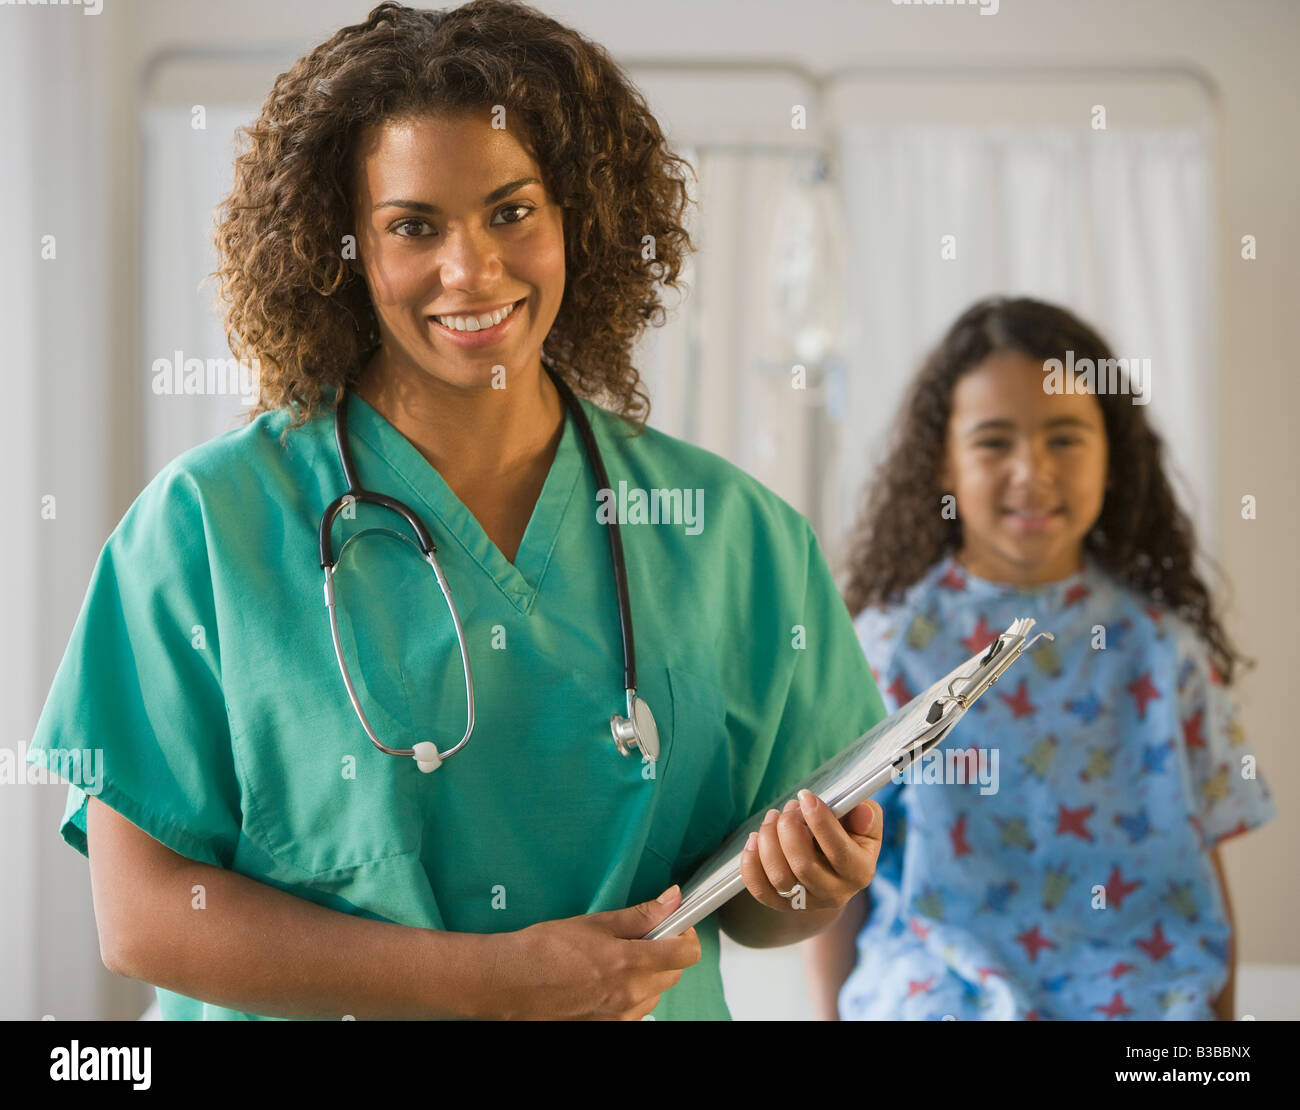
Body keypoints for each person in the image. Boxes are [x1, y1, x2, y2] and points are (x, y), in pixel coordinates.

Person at [27, 0, 887, 1021]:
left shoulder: (737, 537)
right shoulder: (205, 529)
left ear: (577, 216)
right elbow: (142, 917)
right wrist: (490, 986)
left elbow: (758, 911)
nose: (472, 270)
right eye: (414, 226)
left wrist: (806, 887)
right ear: (344, 245)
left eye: (511, 212)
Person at [804, 296, 1277, 1021]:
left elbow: (1200, 873)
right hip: (939, 981)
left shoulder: (1165, 654)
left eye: (1065, 438)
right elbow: (836, 872)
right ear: (944, 463)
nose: (1032, 471)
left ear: (1112, 454)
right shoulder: (889, 648)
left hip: (1140, 987)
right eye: (994, 442)